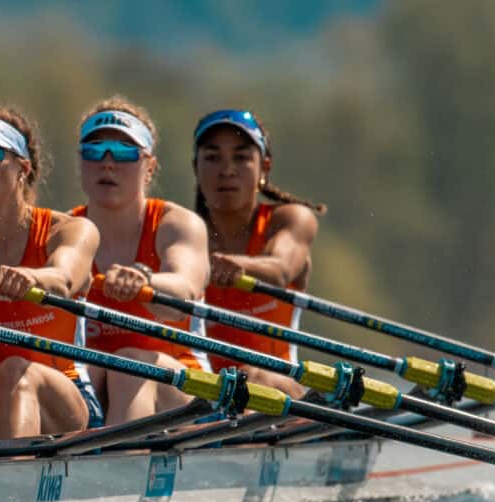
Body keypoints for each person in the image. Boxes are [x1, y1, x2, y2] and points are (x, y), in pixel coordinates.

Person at [0, 102, 102, 439]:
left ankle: (4, 482)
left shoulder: (70, 230)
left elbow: (64, 277)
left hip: (65, 397)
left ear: (22, 167)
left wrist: (32, 278)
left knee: (15, 371)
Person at [70, 96, 210, 425]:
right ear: (80, 162)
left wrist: (147, 283)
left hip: (182, 385)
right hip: (96, 378)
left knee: (129, 364)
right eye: (94, 151)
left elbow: (183, 290)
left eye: (124, 153)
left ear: (150, 167)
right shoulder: (63, 232)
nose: (107, 163)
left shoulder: (176, 224)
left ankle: (123, 467)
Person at [191, 109, 324, 397]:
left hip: (279, 389)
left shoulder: (290, 220)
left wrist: (237, 265)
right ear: (195, 168)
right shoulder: (179, 232)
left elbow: (280, 270)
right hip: (205, 396)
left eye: (241, 157)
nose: (227, 170)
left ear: (264, 167)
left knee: (250, 375)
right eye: (213, 158)